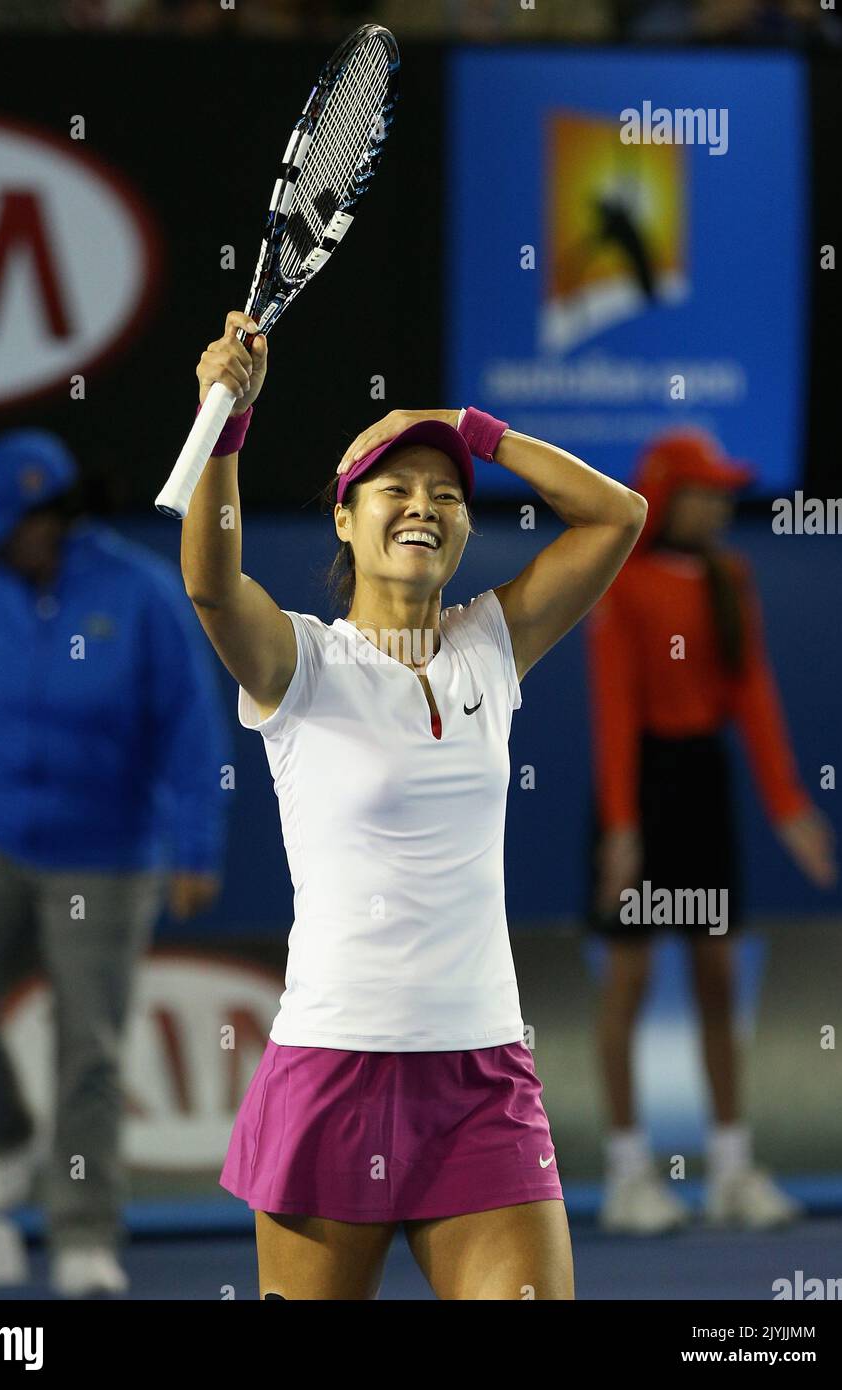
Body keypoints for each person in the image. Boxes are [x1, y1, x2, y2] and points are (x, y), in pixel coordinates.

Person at [181, 310, 647, 1300]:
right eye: (392, 487)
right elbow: (211, 585)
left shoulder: (492, 644)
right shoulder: (299, 662)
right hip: (330, 1073)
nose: (422, 504)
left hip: (481, 1081)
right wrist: (225, 425)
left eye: (445, 492)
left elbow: (617, 516)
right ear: (343, 520)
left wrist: (472, 427)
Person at [0, 430, 230, 1296]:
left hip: (107, 855)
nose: (1, 544)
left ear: (52, 517)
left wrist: (194, 848)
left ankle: (84, 1231)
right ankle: (10, 1143)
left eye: (12, 525)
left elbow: (192, 733)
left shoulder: (144, 595)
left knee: (88, 1046)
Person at [585, 428, 837, 1235]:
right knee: (626, 986)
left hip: (703, 790)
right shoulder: (621, 582)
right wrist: (622, 827)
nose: (720, 501)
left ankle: (730, 1169)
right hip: (641, 791)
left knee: (718, 982)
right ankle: (629, 1177)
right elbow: (615, 709)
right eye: (705, 489)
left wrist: (789, 805)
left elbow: (753, 698)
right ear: (667, 496)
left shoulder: (732, 577)